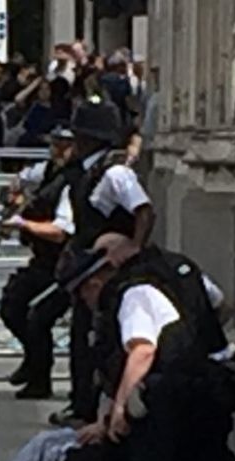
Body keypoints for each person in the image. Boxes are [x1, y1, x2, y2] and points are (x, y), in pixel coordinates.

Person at [52, 242, 235, 461]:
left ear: (93, 285)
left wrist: (119, 409)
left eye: (82, 296)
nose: (86, 305)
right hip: (214, 380)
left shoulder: (133, 296)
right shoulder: (172, 275)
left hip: (175, 389)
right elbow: (221, 304)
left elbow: (142, 351)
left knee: (141, 398)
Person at [49, 97, 156, 427]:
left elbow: (144, 210)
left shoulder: (115, 174)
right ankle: (81, 402)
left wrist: (134, 247)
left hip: (108, 268)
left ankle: (88, 405)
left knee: (95, 336)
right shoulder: (90, 172)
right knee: (82, 334)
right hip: (89, 264)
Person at [0, 126, 79, 400]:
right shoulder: (47, 171)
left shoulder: (73, 182)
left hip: (64, 265)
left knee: (39, 317)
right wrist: (15, 192)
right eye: (55, 144)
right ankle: (33, 359)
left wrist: (24, 223)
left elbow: (61, 232)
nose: (58, 150)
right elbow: (21, 178)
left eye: (64, 145)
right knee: (11, 305)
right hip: (42, 260)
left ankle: (40, 377)